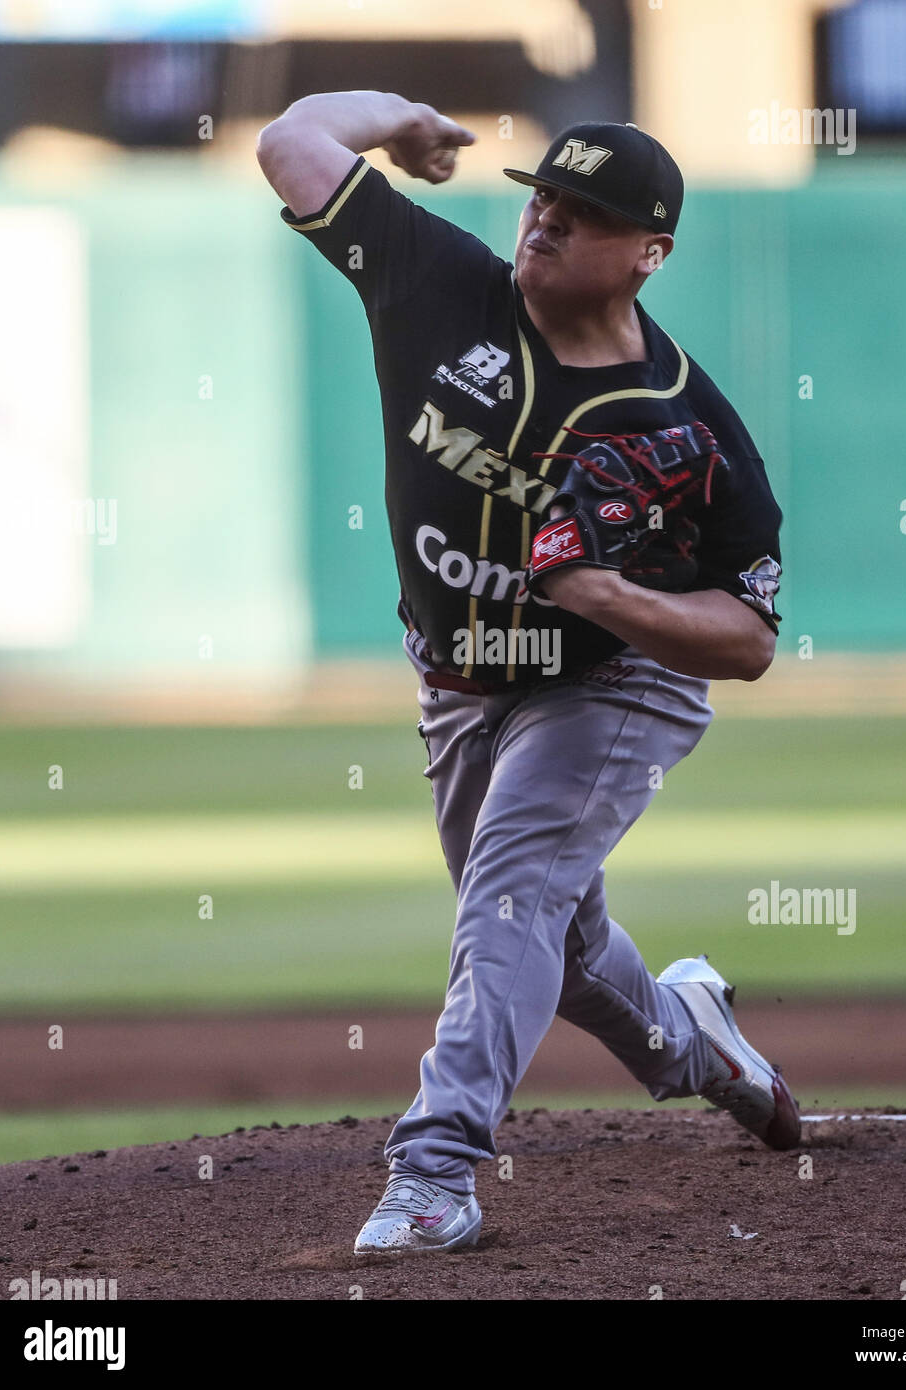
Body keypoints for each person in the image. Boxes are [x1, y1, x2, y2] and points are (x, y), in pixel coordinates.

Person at [256, 94, 801, 1255]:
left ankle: (436, 1165)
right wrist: (399, 120)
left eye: (584, 211)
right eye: (543, 196)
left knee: (508, 889)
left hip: (609, 684)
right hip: (457, 682)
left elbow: (750, 635)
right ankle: (697, 1041)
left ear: (649, 253)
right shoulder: (438, 284)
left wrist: (614, 599)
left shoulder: (688, 426)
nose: (546, 220)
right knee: (548, 944)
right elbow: (289, 141)